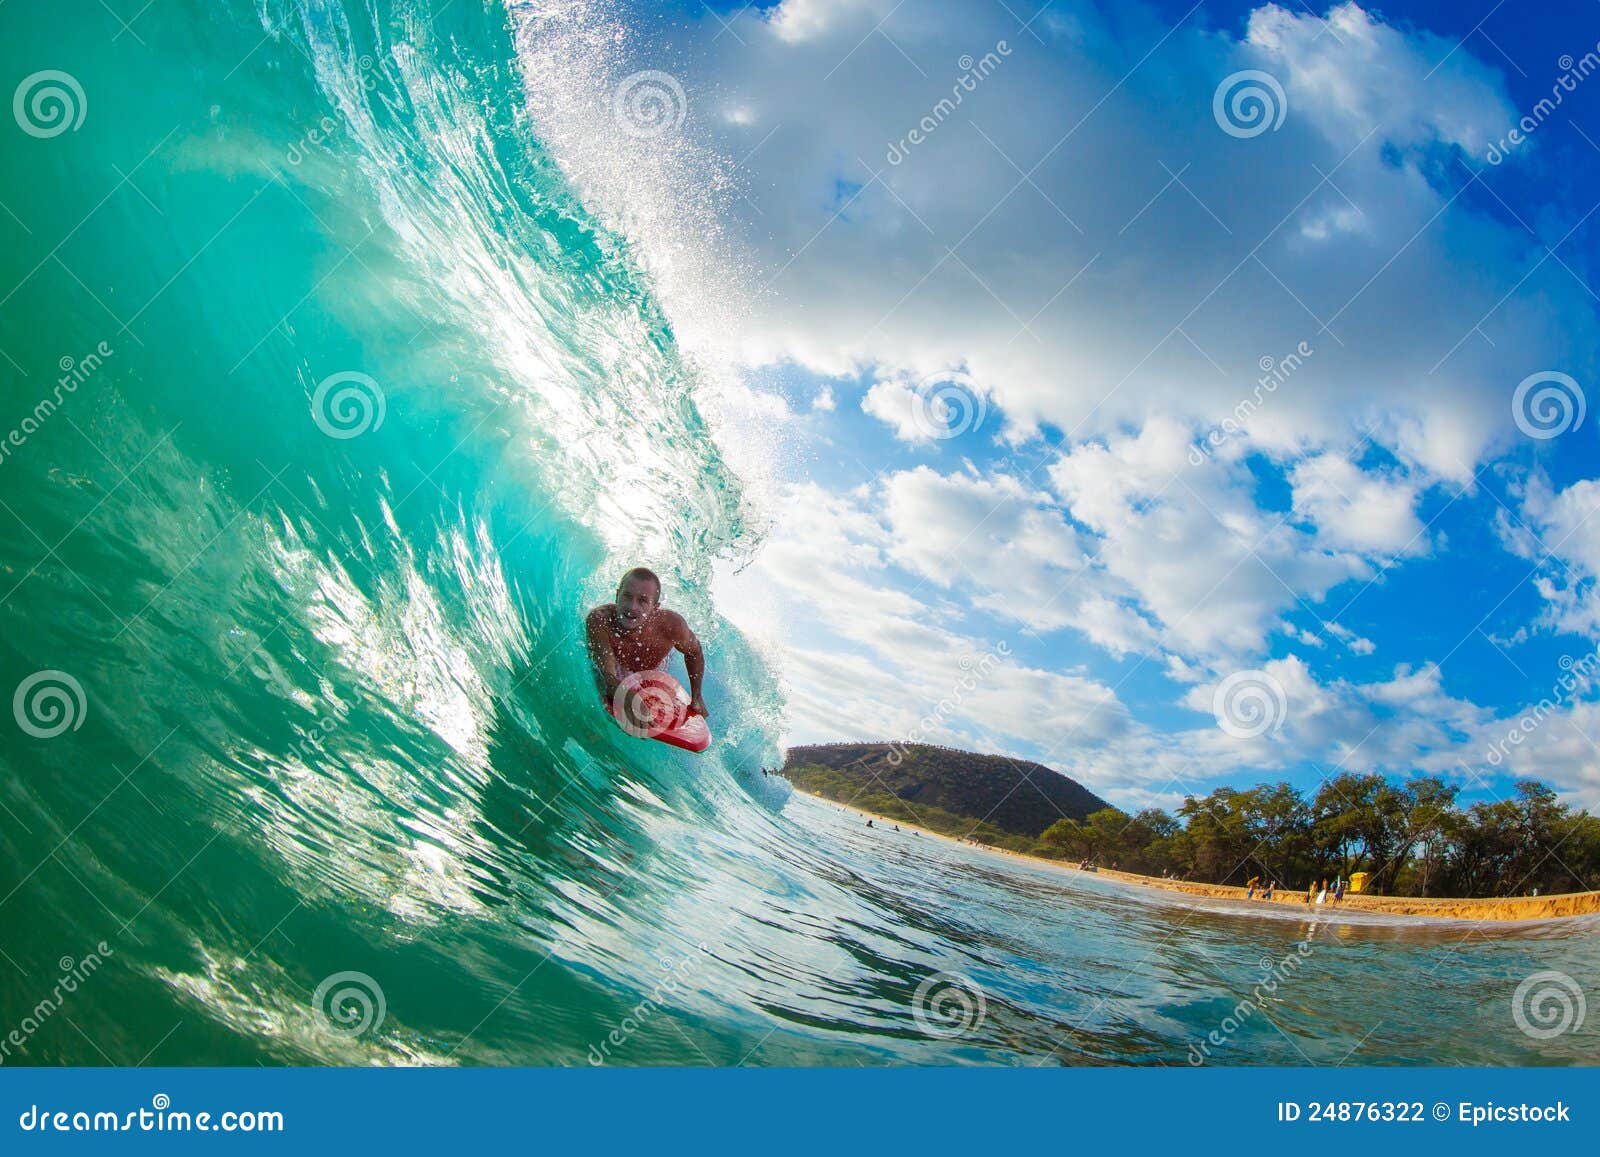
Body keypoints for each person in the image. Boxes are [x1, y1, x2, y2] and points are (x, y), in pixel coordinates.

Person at [586, 567, 708, 719]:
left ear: (654, 608)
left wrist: (697, 697)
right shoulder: (600, 620)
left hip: (654, 668)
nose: (632, 607)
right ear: (617, 595)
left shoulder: (672, 625)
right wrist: (623, 695)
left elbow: (694, 652)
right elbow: (608, 679)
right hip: (614, 666)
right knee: (606, 701)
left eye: (643, 600)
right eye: (627, 596)